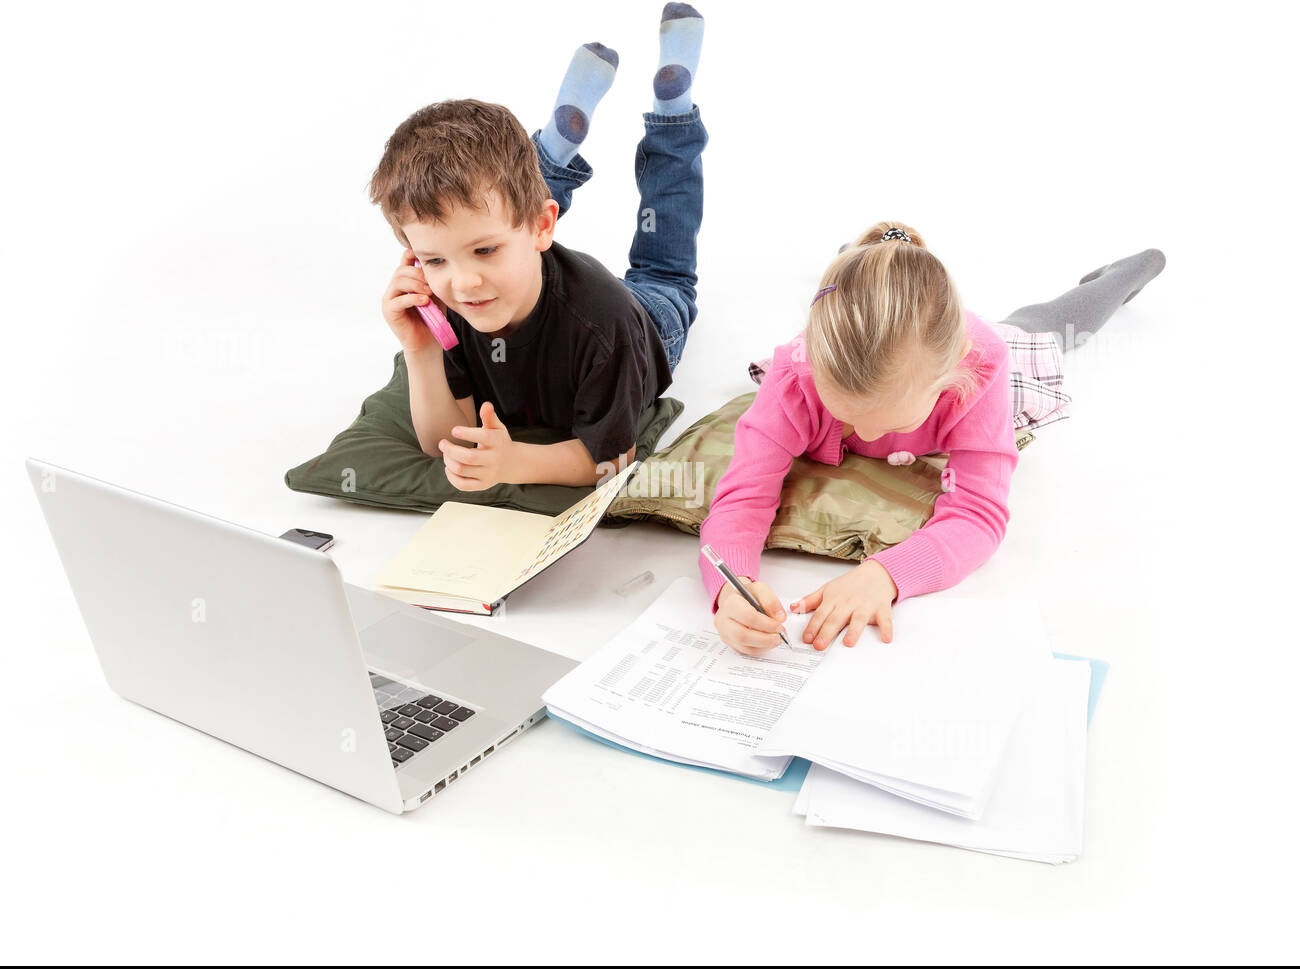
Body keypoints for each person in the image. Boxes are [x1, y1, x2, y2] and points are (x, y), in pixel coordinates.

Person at [699, 222, 1165, 655]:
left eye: (892, 422)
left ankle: (1125, 275)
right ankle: (864, 260)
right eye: (846, 414)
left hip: (985, 345)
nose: (864, 437)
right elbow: (742, 498)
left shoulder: (980, 366)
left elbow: (979, 513)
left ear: (953, 371)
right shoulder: (795, 372)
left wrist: (886, 575)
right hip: (879, 328)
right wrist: (729, 588)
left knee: (1044, 326)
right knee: (874, 317)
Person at [368, 4, 707, 490]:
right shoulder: (451, 306)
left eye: (483, 252)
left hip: (646, 319)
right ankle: (547, 152)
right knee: (500, 207)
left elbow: (611, 459)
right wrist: (421, 351)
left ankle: (673, 116)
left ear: (548, 227)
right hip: (542, 279)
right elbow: (443, 441)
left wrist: (516, 464)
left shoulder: (606, 328)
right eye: (434, 259)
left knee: (664, 270)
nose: (462, 283)